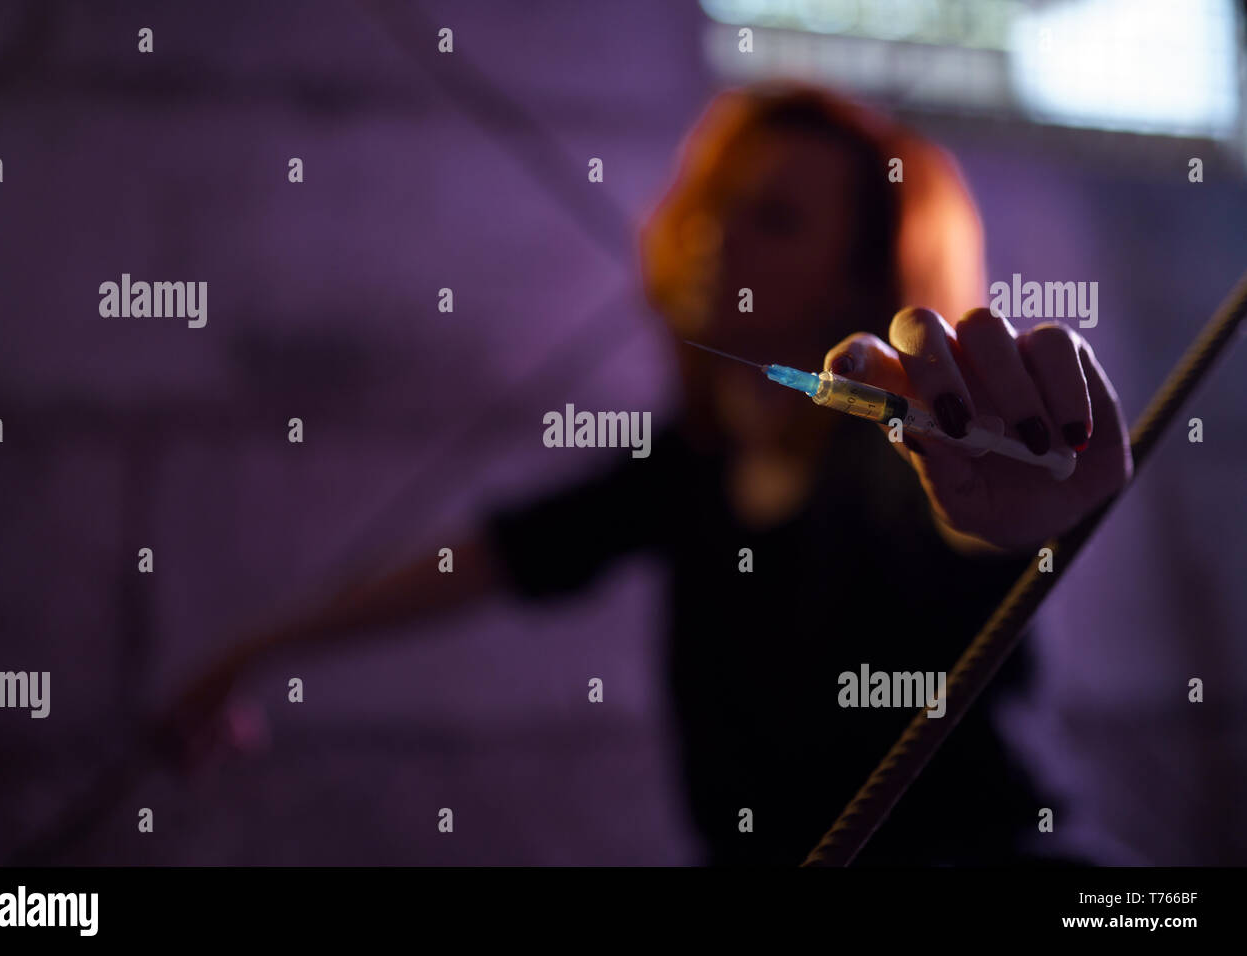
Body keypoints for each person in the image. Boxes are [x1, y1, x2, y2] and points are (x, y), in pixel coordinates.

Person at [157, 84, 1130, 865]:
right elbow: (494, 556)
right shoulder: (687, 466)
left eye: (776, 216)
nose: (716, 234)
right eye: (716, 199)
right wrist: (257, 643)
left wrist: (1014, 514)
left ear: (860, 276)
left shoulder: (897, 452)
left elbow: (968, 530)